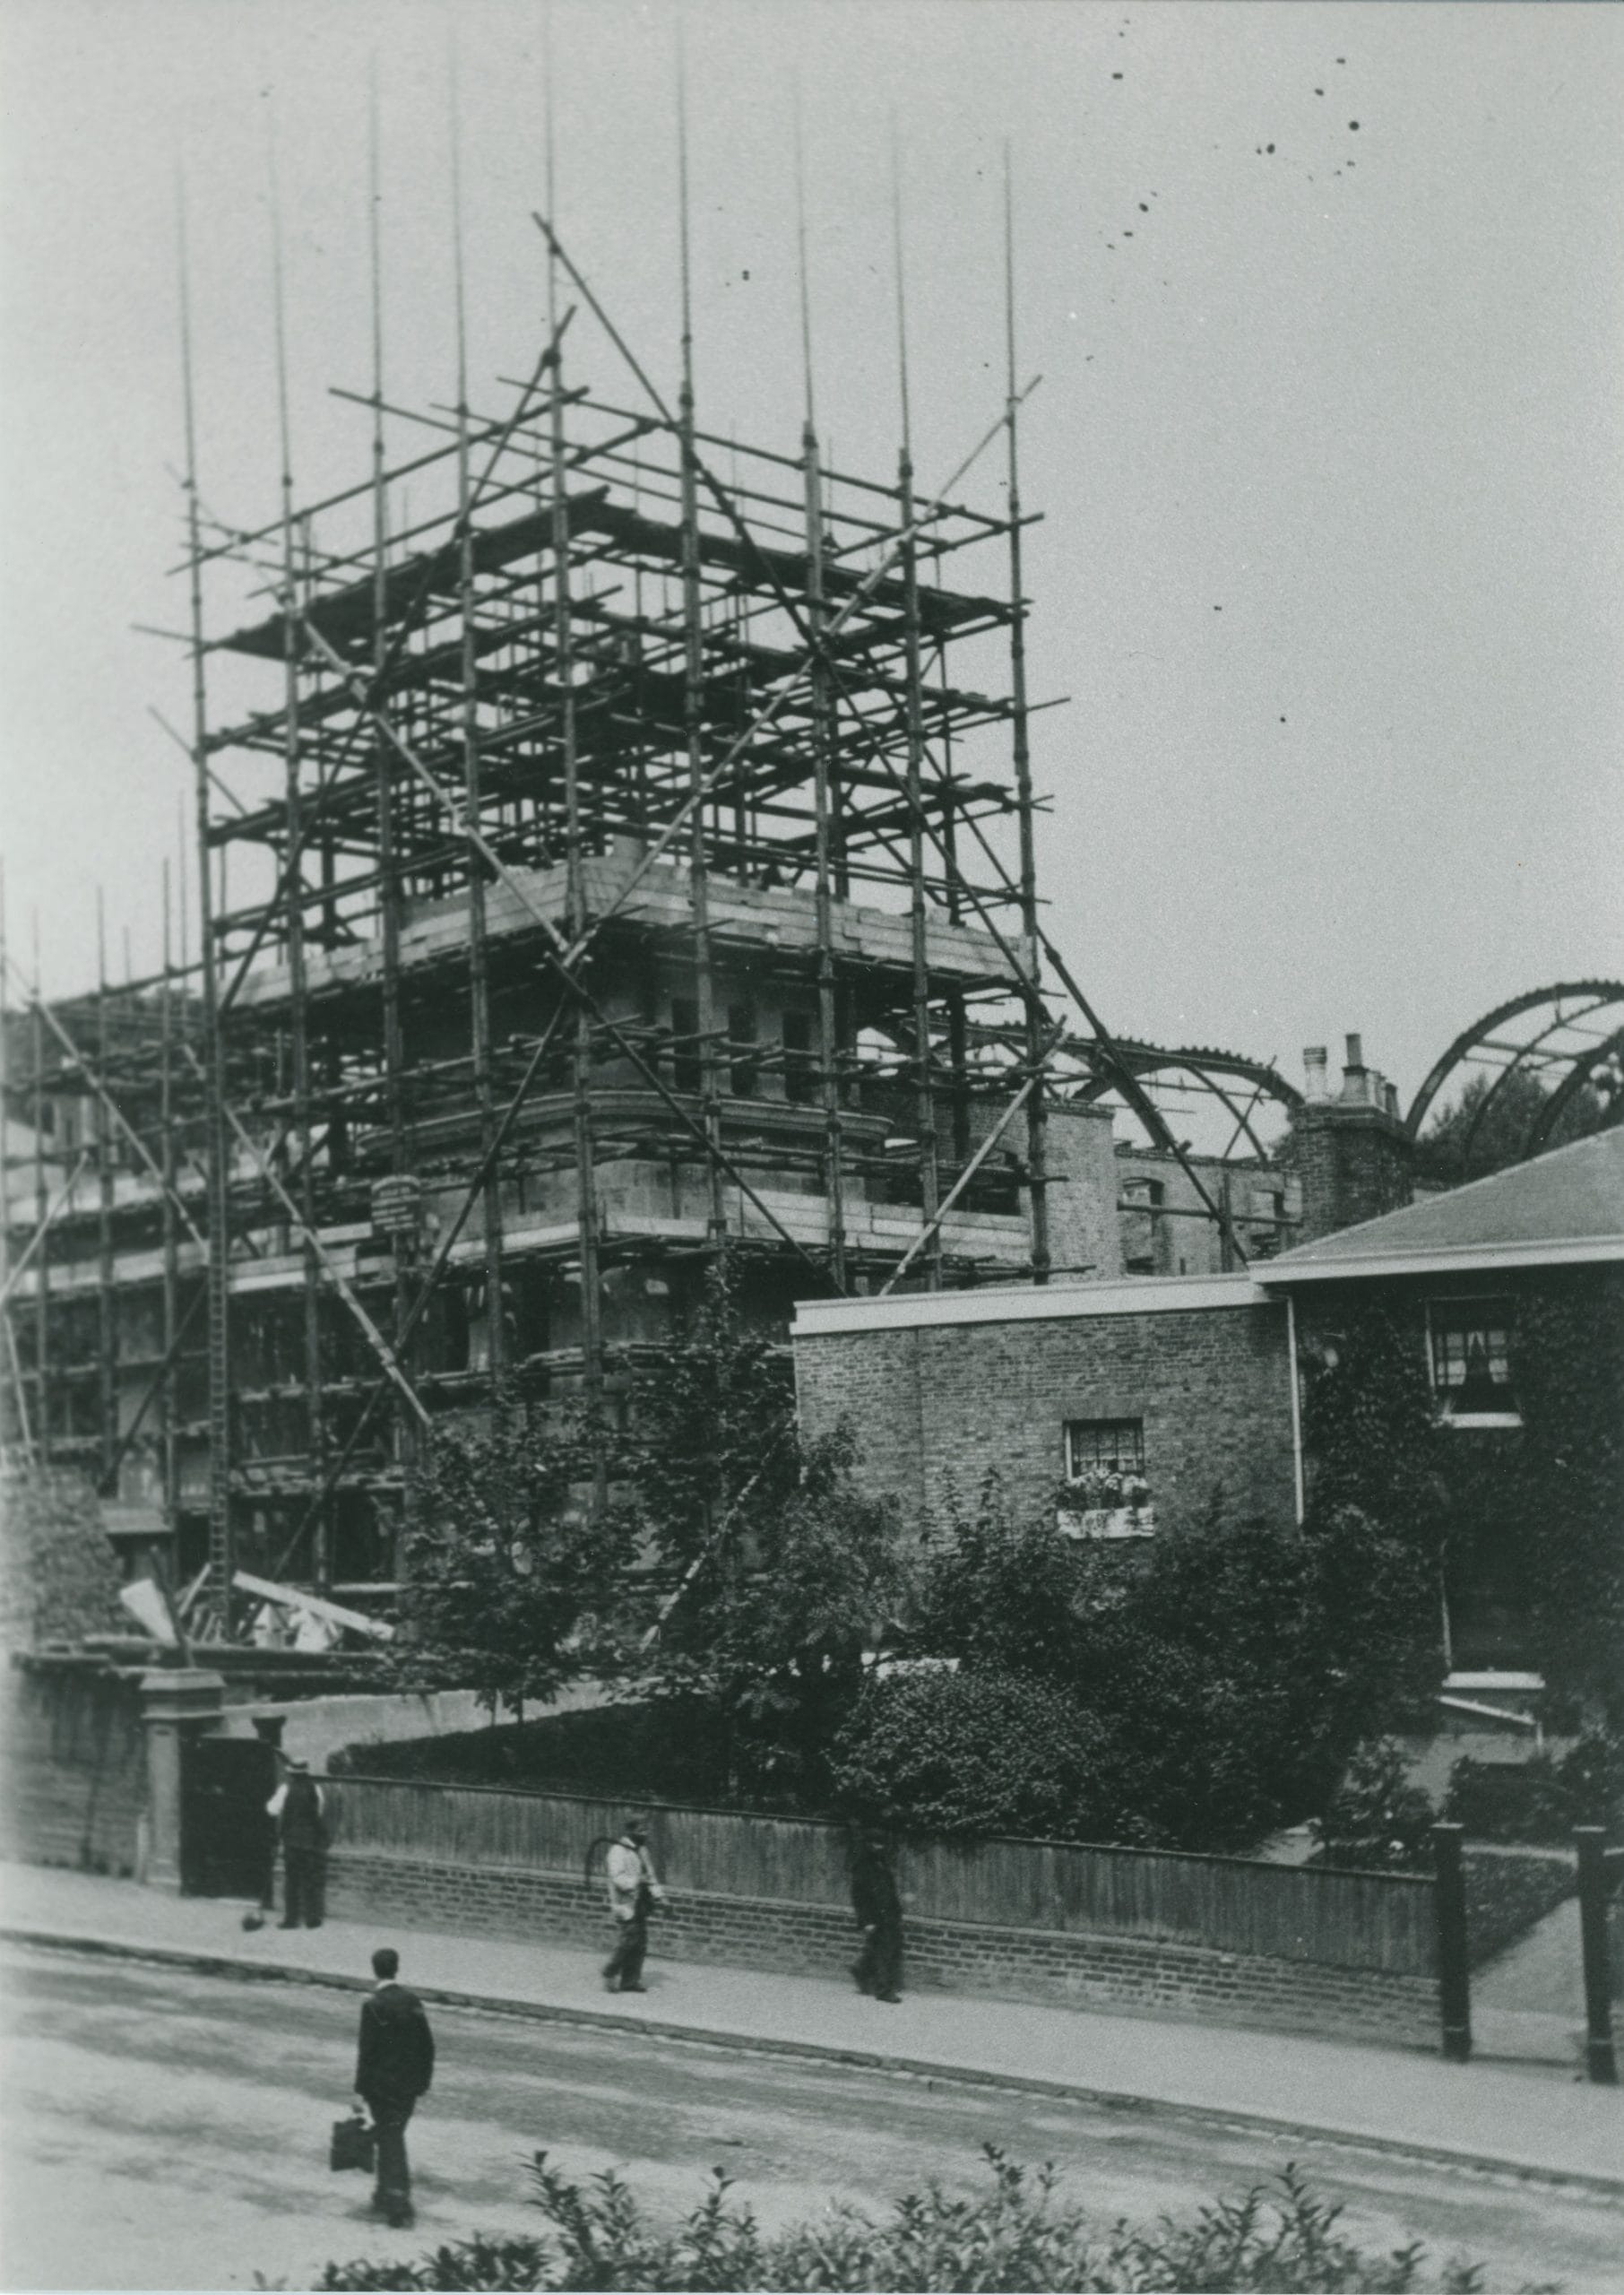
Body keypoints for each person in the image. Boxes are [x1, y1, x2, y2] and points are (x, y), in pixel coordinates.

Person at [354, 1945, 435, 2230]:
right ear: (396, 1968)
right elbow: (427, 2046)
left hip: (382, 2089)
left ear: (375, 1970)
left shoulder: (374, 2005)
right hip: (408, 2088)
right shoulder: (412, 2001)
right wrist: (423, 2082)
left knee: (391, 2140)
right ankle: (382, 2194)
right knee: (391, 2135)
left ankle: (399, 2204)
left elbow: (368, 2051)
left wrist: (360, 2090)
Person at [601, 1819, 666, 1993]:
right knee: (628, 1941)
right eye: (640, 1830)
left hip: (641, 1903)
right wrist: (637, 1881)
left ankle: (630, 1981)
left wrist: (659, 1895)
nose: (645, 1834)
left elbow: (650, 1874)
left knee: (640, 1943)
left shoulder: (642, 1851)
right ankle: (609, 1972)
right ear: (629, 1831)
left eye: (646, 1830)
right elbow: (617, 1878)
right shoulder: (618, 1851)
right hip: (625, 1903)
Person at [264, 1754, 327, 1928]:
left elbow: (271, 1809)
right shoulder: (316, 1789)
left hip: (291, 1841)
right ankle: (312, 1919)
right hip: (311, 1841)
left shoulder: (286, 1789)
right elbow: (319, 1812)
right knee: (311, 1880)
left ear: (292, 1773)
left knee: (292, 1881)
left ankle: (291, 1919)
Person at [850, 1830, 903, 2004]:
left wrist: (896, 1911)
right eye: (876, 1844)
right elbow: (859, 1897)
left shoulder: (881, 1864)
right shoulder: (863, 1866)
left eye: (881, 1844)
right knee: (884, 1952)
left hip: (888, 1914)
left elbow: (888, 1890)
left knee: (879, 1948)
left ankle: (861, 1969)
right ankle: (883, 1990)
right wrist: (866, 1921)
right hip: (875, 1916)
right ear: (868, 1845)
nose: (880, 1847)